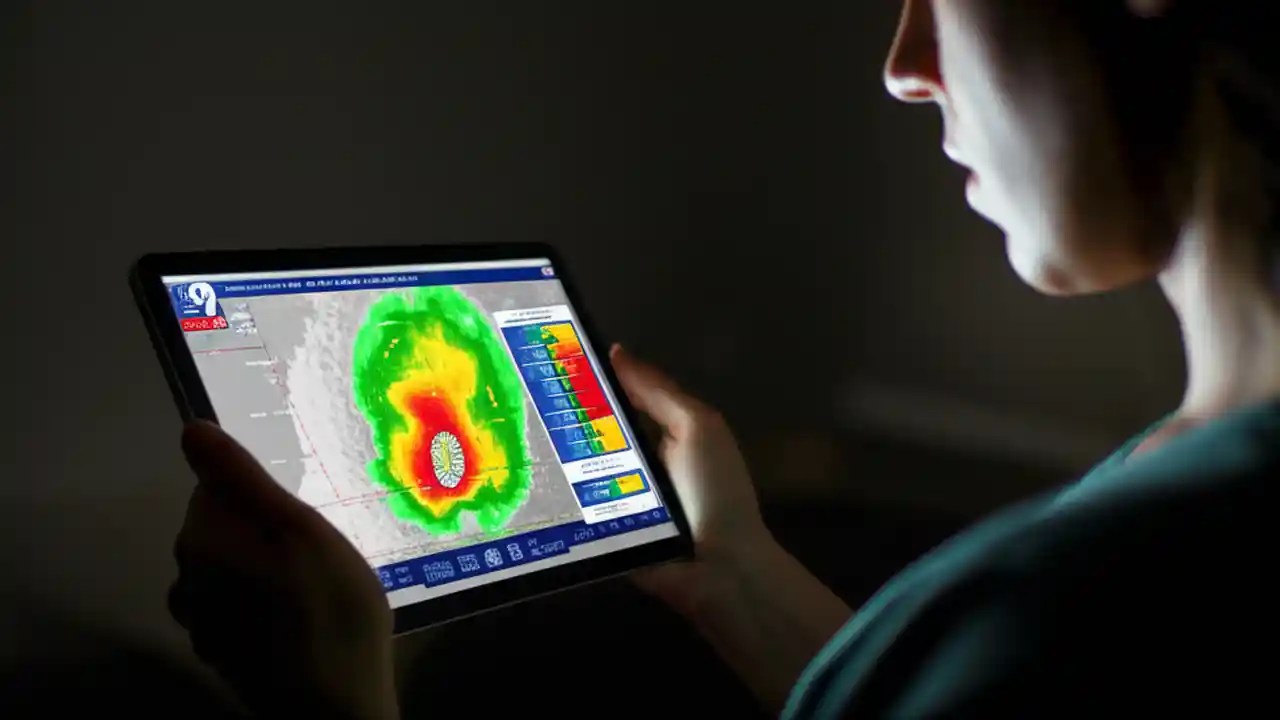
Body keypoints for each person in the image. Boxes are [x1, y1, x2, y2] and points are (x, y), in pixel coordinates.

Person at [169, 1, 1280, 717]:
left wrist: (323, 707)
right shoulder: (1177, 496)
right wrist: (733, 574)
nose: (904, 65)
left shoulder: (1096, 602)